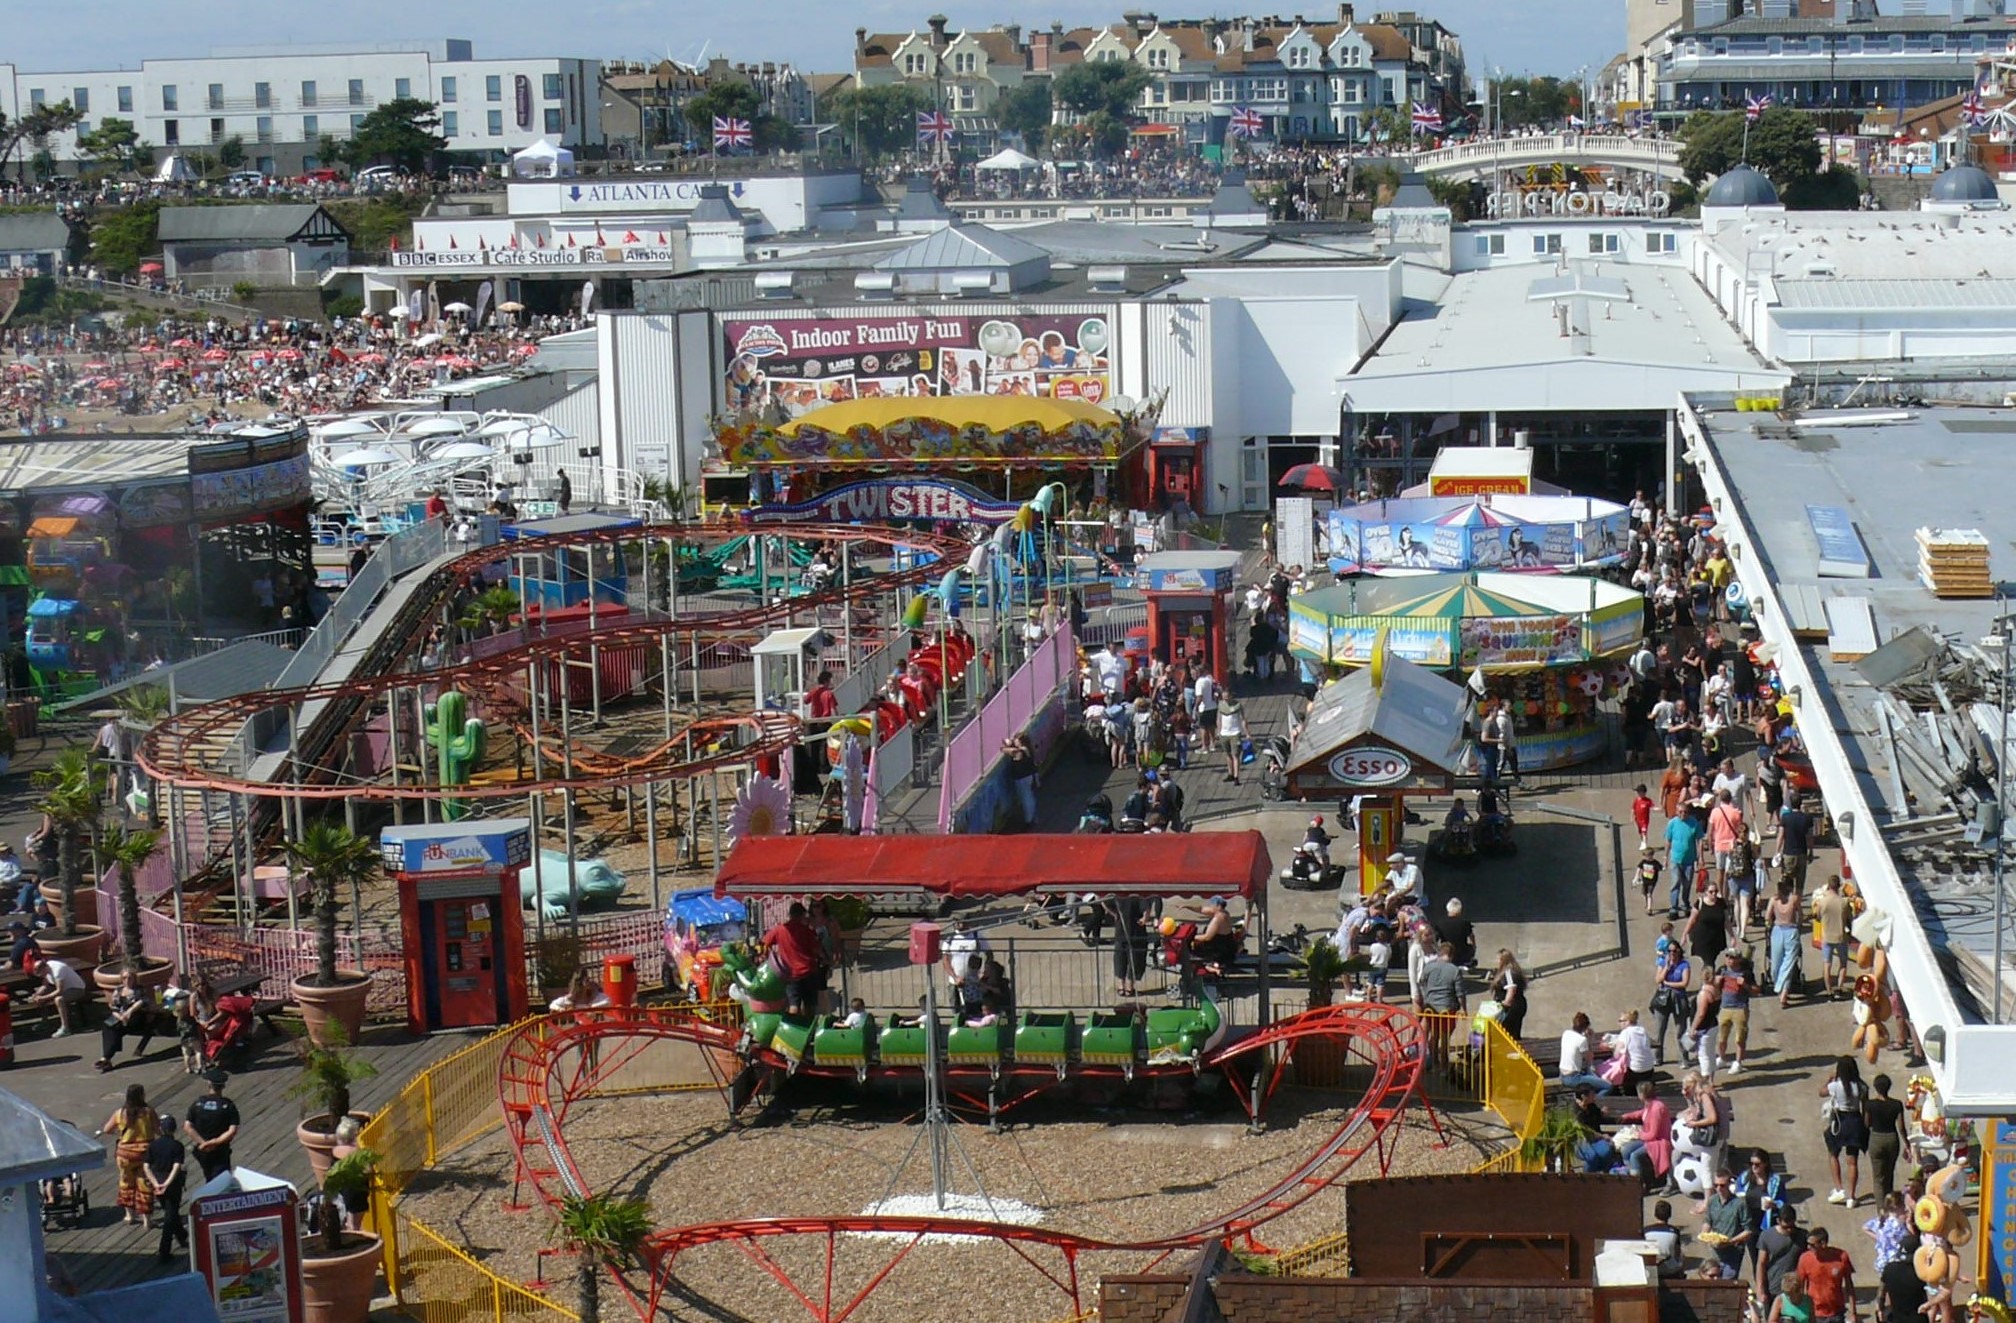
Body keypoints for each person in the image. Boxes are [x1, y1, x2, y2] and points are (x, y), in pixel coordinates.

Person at [101, 1083, 159, 1226]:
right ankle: (147, 1219)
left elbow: (106, 1129)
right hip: (145, 1153)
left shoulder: (120, 1113)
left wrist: (120, 1134)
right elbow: (158, 1129)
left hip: (125, 1154)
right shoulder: (148, 1112)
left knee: (126, 1183)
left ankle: (129, 1215)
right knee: (145, 1184)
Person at [762, 902, 825, 1018]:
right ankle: (808, 1026)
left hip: (790, 974)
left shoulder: (780, 929)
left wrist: (770, 958)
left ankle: (793, 1027)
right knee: (809, 1005)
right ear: (802, 915)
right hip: (809, 971)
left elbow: (764, 943)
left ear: (790, 914)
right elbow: (817, 949)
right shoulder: (806, 930)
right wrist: (826, 959)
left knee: (793, 1004)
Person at [1823, 1055, 1869, 1207]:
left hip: (1839, 1120)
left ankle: (1838, 1188)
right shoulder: (1861, 1086)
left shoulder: (1836, 1086)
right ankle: (1851, 1196)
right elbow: (1865, 1108)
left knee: (1833, 1153)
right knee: (1852, 1161)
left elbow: (1821, 1092)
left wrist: (1830, 1079)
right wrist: (1865, 1126)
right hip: (1855, 1120)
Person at [145, 1109, 189, 1263]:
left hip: (157, 1184)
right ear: (174, 1129)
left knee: (171, 1212)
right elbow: (177, 1166)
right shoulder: (177, 1146)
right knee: (170, 1216)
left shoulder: (153, 1146)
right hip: (172, 1185)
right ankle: (164, 1250)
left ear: (160, 1129)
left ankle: (182, 1235)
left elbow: (146, 1166)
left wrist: (156, 1183)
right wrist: (167, 1183)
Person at [185, 1069, 240, 1181]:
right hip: (220, 1150)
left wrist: (203, 1143)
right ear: (223, 1086)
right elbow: (232, 1130)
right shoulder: (228, 1105)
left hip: (202, 1150)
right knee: (221, 1181)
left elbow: (188, 1127)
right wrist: (215, 1142)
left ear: (209, 1084)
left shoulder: (198, 1103)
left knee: (209, 1176)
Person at [97, 968, 157, 1071]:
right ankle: (105, 1058)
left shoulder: (139, 990)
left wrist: (129, 1012)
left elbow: (143, 1001)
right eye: (124, 978)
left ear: (134, 979)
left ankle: (107, 1058)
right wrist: (121, 1017)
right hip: (121, 1019)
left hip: (136, 1018)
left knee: (117, 1027)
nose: (127, 980)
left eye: (130, 978)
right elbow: (114, 1008)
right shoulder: (118, 990)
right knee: (108, 1026)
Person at [1795, 1226, 1858, 1323]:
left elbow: (1849, 1286)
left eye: (1812, 1245)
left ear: (1823, 1244)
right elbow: (1800, 1287)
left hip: (1837, 1312)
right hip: (1815, 1313)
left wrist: (1853, 1312)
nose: (1808, 1247)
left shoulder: (1841, 1257)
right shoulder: (1804, 1259)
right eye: (1807, 1244)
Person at [1861, 1074, 1910, 1198]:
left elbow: (1866, 1124)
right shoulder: (1896, 1104)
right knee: (1889, 1174)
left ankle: (1881, 1206)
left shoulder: (1870, 1104)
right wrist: (1907, 1143)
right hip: (1891, 1138)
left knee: (1878, 1178)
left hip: (1876, 1138)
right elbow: (1901, 1127)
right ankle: (1890, 1203)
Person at [1620, 1080, 1673, 1188]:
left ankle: (1638, 1185)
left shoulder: (1657, 1108)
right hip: (1648, 1139)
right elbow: (1642, 1113)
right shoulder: (1650, 1105)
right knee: (1625, 1149)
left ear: (1642, 1094)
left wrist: (1638, 1134)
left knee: (1634, 1156)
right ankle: (1632, 1177)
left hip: (1659, 1142)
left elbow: (1653, 1134)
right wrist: (1627, 1116)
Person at [1758, 1206, 1809, 1313]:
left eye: (1792, 1226)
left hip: (1795, 1290)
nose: (1790, 1230)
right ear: (1778, 1221)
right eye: (1786, 1227)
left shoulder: (1803, 1236)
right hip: (1773, 1288)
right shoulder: (1767, 1236)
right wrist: (1761, 1289)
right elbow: (1761, 1264)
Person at [1704, 1168, 1752, 1280]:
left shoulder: (1739, 1204)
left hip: (1733, 1253)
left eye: (1722, 1185)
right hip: (1715, 1252)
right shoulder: (1712, 1201)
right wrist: (1704, 1234)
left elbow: (1748, 1231)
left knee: (1727, 1283)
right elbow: (1707, 1221)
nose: (1718, 1189)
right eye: (1716, 1185)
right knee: (1713, 1282)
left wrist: (1730, 1241)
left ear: (1729, 1184)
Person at [1713, 948, 1755, 1075]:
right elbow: (1713, 986)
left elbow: (1756, 990)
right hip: (1724, 1007)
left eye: (1732, 957)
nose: (1729, 960)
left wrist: (1745, 985)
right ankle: (1721, 1058)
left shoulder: (1746, 973)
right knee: (1721, 1037)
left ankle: (1738, 1062)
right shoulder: (1722, 970)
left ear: (1738, 959)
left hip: (1740, 1008)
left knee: (1740, 1038)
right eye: (1727, 957)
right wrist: (1716, 982)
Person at [1651, 941, 1693, 1066]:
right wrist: (1667, 968)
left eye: (1674, 951)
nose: (1672, 953)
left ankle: (1684, 1059)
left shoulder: (1684, 965)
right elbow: (1658, 979)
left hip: (1678, 998)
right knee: (1659, 1030)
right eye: (1669, 951)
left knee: (1680, 1030)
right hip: (1663, 998)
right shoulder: (1663, 963)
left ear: (1679, 951)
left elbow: (1684, 983)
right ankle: (1658, 1058)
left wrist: (1668, 983)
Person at [1767, 878, 1806, 1007]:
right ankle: (1783, 990)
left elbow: (1768, 917)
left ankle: (1780, 989)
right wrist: (1799, 925)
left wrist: (1770, 925)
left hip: (1778, 930)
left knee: (1777, 963)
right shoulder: (1794, 899)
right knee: (1788, 963)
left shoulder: (1774, 900)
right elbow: (1801, 915)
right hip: (1790, 930)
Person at [1813, 876, 1852, 998]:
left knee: (1827, 963)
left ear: (1828, 886)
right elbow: (1849, 918)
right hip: (1841, 937)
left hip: (1827, 936)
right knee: (1843, 963)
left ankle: (1829, 989)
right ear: (1839, 886)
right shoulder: (1844, 902)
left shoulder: (1822, 902)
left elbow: (1817, 917)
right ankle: (1840, 987)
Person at [30, 956, 89, 1036]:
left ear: (44, 969)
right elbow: (45, 986)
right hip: (65, 989)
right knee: (41, 995)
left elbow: (59, 990)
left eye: (42, 974)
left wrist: (43, 998)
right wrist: (37, 994)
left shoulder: (57, 971)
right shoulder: (46, 968)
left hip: (77, 989)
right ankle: (45, 1022)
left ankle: (65, 1028)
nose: (43, 976)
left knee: (59, 999)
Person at [1878, 1233, 1927, 1323]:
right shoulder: (1922, 1273)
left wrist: (1880, 1309)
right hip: (1919, 1319)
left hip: (1897, 1318)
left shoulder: (1889, 1269)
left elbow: (1881, 1293)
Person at [1606, 1008, 1658, 1091]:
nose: (1619, 1023)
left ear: (1627, 1021)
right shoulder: (1642, 1030)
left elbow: (1617, 1055)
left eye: (1620, 1021)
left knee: (1619, 1073)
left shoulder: (1626, 1033)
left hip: (1635, 1070)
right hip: (1649, 1069)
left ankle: (1623, 1092)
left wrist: (1612, 1048)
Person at [1644, 1199, 1687, 1278]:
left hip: (1651, 1268)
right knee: (1682, 1256)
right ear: (1670, 1215)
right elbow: (1677, 1252)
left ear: (1655, 1214)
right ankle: (1680, 1276)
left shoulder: (1646, 1230)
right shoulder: (1675, 1231)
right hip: (1669, 1269)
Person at [1491, 949, 1529, 1039]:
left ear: (1503, 960)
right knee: (1513, 1033)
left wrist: (1506, 1003)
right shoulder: (1513, 971)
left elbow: (1511, 988)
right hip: (1517, 1005)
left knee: (1507, 1034)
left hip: (1511, 1007)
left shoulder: (1509, 972)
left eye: (1498, 959)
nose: (1497, 962)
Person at [1002, 733, 1038, 829]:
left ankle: (1029, 820)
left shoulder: (1021, 751)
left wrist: (1008, 745)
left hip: (1022, 778)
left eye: (1016, 740)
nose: (1014, 741)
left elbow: (1006, 751)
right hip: (1027, 776)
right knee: (1029, 796)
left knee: (1026, 798)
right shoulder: (1027, 749)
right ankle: (1032, 817)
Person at [1431, 897, 1477, 970]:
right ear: (1460, 910)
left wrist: (1437, 950)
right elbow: (1471, 936)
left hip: (1446, 953)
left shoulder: (1440, 924)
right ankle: (1467, 962)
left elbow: (1435, 939)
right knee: (1469, 947)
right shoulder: (1464, 923)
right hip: (1461, 954)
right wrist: (1474, 947)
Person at [1216, 692, 1245, 785]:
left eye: (1227, 697)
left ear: (1231, 696)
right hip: (1224, 734)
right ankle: (1230, 774)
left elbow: (1243, 719)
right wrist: (1219, 732)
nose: (1226, 699)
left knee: (1235, 755)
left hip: (1235, 733)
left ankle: (1236, 777)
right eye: (1224, 697)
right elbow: (1219, 719)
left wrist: (1247, 733)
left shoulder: (1238, 705)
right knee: (1227, 754)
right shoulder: (1221, 706)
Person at [1632, 784, 1655, 854]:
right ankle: (1642, 841)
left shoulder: (1648, 801)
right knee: (1640, 832)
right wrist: (1632, 816)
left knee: (1644, 832)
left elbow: (1653, 807)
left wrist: (1659, 809)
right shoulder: (1636, 800)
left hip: (1645, 820)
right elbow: (1633, 809)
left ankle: (1645, 844)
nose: (1638, 793)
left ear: (1643, 792)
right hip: (1638, 820)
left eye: (1639, 792)